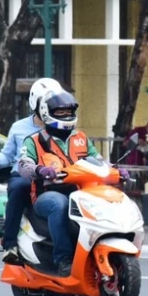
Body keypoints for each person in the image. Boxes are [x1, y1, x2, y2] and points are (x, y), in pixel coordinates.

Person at [15, 90, 96, 274]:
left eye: (69, 111)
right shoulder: (34, 141)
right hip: (46, 195)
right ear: (46, 112)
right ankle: (63, 259)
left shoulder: (81, 138)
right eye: (60, 112)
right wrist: (40, 170)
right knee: (60, 204)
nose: (66, 115)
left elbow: (97, 159)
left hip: (81, 193)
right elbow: (23, 165)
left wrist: (115, 169)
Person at [0, 77, 61, 254]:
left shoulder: (62, 127)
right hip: (25, 175)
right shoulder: (18, 127)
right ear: (36, 103)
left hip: (56, 175)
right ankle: (9, 244)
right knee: (19, 188)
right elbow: (6, 157)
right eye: (47, 103)